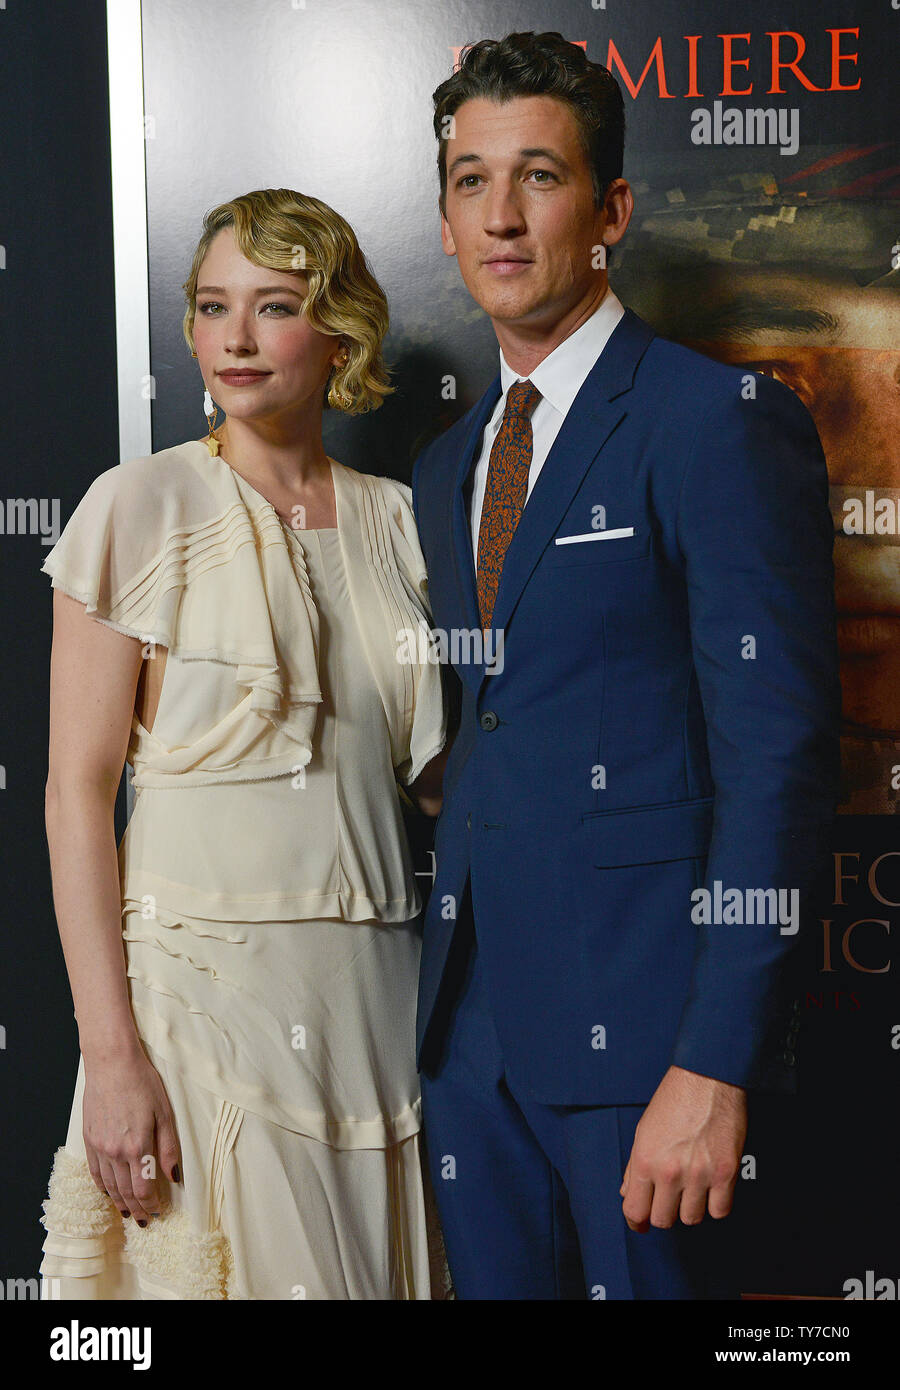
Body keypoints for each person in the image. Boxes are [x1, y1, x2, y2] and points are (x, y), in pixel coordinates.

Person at [412, 32, 841, 1299]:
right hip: (469, 1042)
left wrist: (714, 1063)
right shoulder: (450, 466)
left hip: (652, 1049)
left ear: (609, 211)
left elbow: (779, 758)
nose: (500, 216)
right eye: (469, 180)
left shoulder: (716, 422)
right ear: (441, 215)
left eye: (537, 177)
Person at [37, 187, 451, 1300]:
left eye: (274, 306)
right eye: (212, 307)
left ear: (341, 330)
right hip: (197, 1011)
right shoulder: (138, 504)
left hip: (375, 1005)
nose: (233, 337)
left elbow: (440, 790)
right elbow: (74, 795)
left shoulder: (405, 521)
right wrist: (113, 1054)